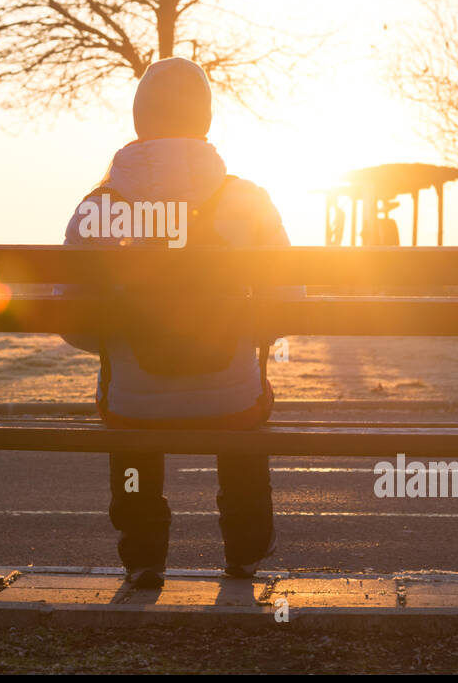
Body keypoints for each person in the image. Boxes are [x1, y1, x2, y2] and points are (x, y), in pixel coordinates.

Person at [61, 57, 291, 588]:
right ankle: (245, 547)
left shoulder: (99, 207)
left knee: (129, 408)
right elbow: (288, 299)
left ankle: (143, 555)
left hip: (133, 400)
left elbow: (71, 317)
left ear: (140, 120)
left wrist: (117, 343)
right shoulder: (247, 201)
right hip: (231, 397)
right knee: (244, 405)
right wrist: (245, 335)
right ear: (205, 121)